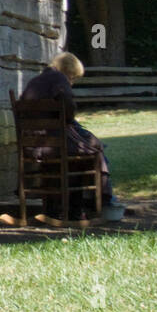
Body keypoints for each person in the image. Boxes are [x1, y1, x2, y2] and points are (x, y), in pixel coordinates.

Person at [19, 53, 124, 220]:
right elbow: (68, 109)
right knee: (93, 151)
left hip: (33, 146)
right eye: (73, 78)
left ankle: (53, 209)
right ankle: (84, 208)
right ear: (68, 71)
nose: (72, 82)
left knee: (82, 149)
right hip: (53, 145)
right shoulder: (59, 79)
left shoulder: (35, 82)